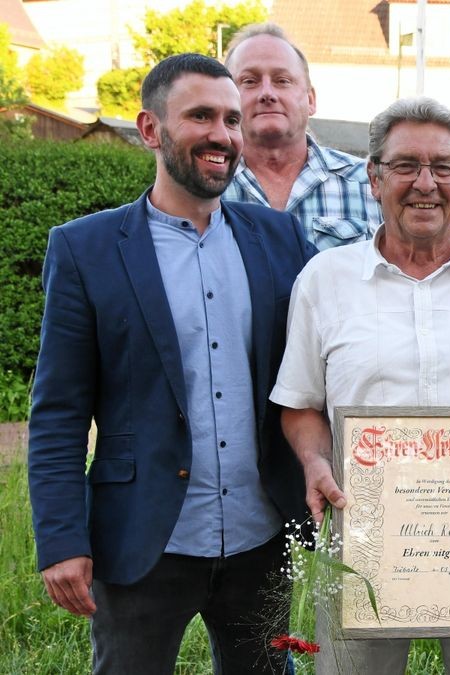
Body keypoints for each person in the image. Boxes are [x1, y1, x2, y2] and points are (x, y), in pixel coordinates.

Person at [27, 53, 315, 673]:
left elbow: (363, 300)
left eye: (232, 120)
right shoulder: (85, 249)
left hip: (260, 535)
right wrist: (61, 540)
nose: (223, 135)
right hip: (141, 539)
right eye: (202, 116)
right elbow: (59, 412)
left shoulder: (279, 238)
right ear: (151, 129)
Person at [269, 96, 450, 674]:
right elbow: (299, 405)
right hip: (364, 537)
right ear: (374, 179)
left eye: (442, 167)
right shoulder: (325, 280)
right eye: (405, 165)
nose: (424, 183)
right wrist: (313, 461)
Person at [222, 22, 381, 250]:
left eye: (282, 81)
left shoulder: (370, 186)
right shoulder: (204, 189)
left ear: (311, 100)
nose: (267, 93)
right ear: (226, 99)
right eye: (249, 81)